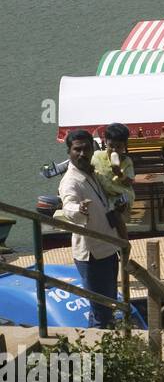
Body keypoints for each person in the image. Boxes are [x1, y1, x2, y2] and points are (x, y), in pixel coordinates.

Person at [58, 129, 123, 328]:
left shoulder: (91, 172)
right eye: (77, 149)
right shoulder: (70, 181)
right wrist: (79, 209)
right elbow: (68, 205)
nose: (82, 153)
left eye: (87, 149)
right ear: (69, 152)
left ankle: (100, 350)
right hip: (92, 256)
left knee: (106, 308)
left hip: (108, 248)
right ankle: (101, 356)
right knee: (101, 311)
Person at [91, 123, 135, 239]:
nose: (114, 149)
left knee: (115, 212)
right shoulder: (97, 157)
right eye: (111, 146)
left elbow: (129, 182)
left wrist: (119, 174)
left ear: (125, 145)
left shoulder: (127, 161)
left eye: (119, 147)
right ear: (105, 142)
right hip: (102, 194)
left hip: (122, 194)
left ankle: (124, 243)